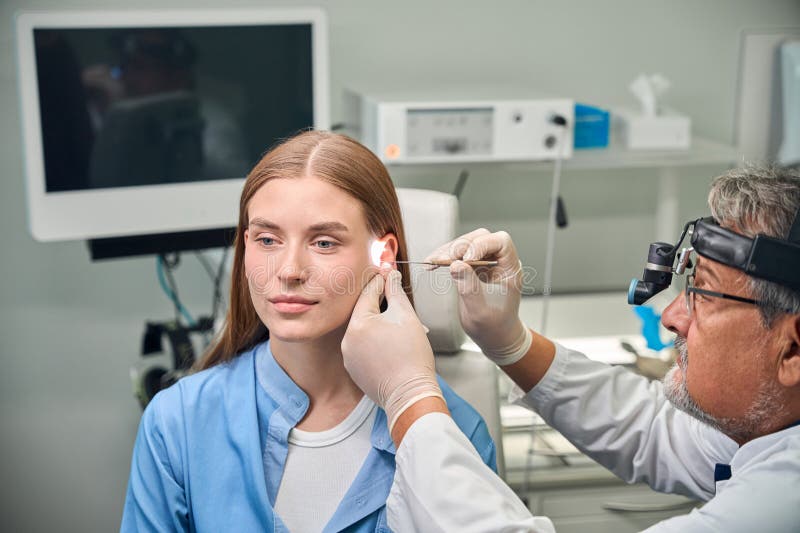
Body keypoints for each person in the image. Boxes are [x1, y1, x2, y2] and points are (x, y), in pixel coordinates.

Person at [342, 165, 800, 532]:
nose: (673, 316)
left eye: (703, 292)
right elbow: (652, 429)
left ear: (792, 350)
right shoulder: (772, 424)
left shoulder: (783, 501)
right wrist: (510, 341)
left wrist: (409, 399)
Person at [121, 130, 496, 532]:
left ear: (382, 255)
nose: (289, 270)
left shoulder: (454, 431)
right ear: (245, 245)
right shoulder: (177, 421)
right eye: (267, 239)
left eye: (323, 243)